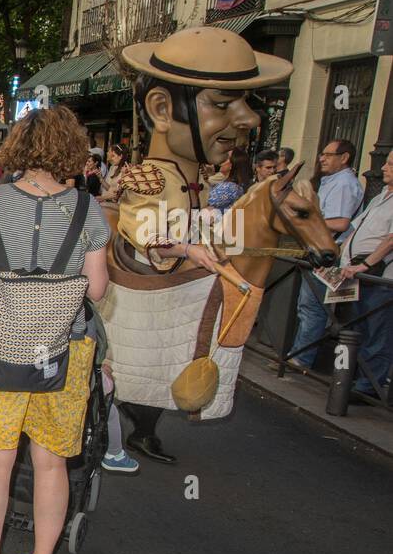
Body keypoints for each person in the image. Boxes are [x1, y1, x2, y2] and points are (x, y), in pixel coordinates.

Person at [107, 26, 292, 460]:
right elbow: (149, 235)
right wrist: (188, 249)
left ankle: (136, 427)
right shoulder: (151, 178)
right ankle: (116, 426)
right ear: (161, 108)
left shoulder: (197, 181)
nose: (248, 120)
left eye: (247, 105)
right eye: (223, 104)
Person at [0, 106, 110, 554]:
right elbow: (99, 289)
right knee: (51, 464)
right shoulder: (89, 209)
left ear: (17, 147)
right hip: (62, 351)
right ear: (72, 149)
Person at [288, 139, 364, 369]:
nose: (322, 158)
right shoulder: (331, 181)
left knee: (312, 307)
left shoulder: (343, 183)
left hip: (328, 253)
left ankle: (302, 358)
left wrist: (306, 222)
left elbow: (340, 222)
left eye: (328, 155)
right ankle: (299, 353)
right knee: (307, 305)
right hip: (319, 250)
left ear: (344, 158)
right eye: (322, 154)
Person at [333, 157, 393, 398]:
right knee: (355, 330)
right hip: (356, 274)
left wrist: (366, 264)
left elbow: (390, 239)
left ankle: (368, 388)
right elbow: (356, 229)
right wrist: (342, 258)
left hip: (381, 280)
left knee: (377, 333)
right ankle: (349, 379)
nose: (384, 168)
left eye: (390, 164)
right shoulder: (381, 197)